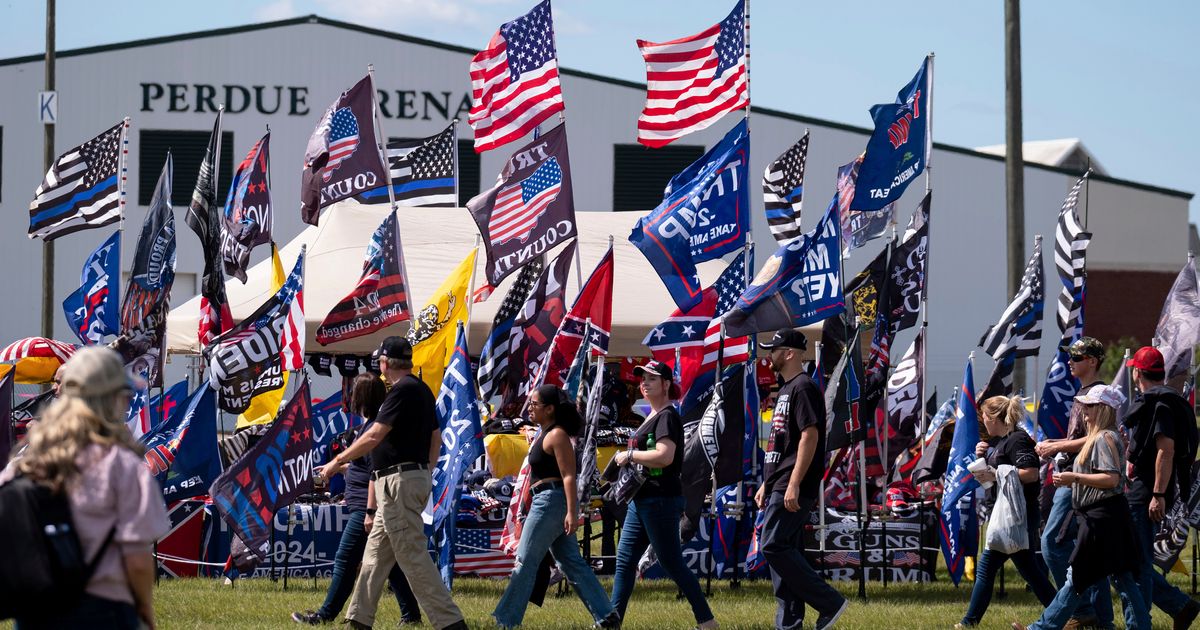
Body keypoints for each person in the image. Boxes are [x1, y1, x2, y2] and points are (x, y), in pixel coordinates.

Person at [0, 347, 169, 629]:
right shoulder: (122, 465)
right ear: (110, 398)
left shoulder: (26, 463)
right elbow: (138, 559)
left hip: (36, 611)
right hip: (106, 612)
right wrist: (144, 611)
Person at [315, 337, 466, 630]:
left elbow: (373, 436)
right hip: (403, 480)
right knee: (374, 556)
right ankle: (357, 620)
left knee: (412, 555)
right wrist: (426, 469)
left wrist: (335, 463)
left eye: (380, 362)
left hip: (398, 482)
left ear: (384, 363)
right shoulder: (420, 389)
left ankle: (451, 622)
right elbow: (436, 436)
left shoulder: (401, 391)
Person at [1014, 384, 1149, 630]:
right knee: (1121, 579)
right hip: (1106, 515)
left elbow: (1111, 479)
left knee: (1077, 578)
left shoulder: (1103, 438)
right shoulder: (1103, 437)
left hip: (1102, 517)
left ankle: (1041, 628)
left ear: (1103, 409)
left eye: (1089, 407)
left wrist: (1072, 478)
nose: (1083, 412)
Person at [292, 373, 420, 625]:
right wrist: (340, 469)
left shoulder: (373, 430)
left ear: (360, 397)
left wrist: (370, 511)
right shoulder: (370, 426)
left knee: (345, 559)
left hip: (366, 506)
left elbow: (376, 473)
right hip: (366, 504)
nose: (349, 397)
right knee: (390, 564)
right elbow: (364, 468)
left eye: (353, 393)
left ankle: (325, 615)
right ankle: (411, 615)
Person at [492, 384, 620, 628]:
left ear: (550, 409)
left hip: (550, 502)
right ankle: (607, 616)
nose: (529, 408)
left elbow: (569, 476)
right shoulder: (544, 432)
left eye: (534, 404)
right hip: (547, 501)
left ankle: (505, 621)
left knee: (525, 560)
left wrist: (572, 512)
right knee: (571, 563)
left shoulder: (557, 435)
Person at [609, 360, 718, 629]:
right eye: (642, 379)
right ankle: (611, 621)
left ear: (667, 384)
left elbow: (665, 456)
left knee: (671, 563)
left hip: (660, 500)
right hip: (641, 499)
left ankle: (707, 621)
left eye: (651, 379)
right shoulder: (652, 414)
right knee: (624, 562)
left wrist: (629, 455)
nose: (643, 383)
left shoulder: (667, 416)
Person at [755, 328, 848, 630]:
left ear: (790, 353)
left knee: (772, 546)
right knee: (785, 553)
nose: (770, 354)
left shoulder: (804, 387)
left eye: (775, 349)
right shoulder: (785, 390)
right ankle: (789, 624)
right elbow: (783, 445)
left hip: (792, 485)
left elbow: (810, 435)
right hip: (779, 483)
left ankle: (829, 602)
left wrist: (793, 483)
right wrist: (766, 484)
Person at [958, 395, 1057, 628]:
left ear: (994, 418)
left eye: (985, 417)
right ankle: (1062, 614)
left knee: (990, 569)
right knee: (1029, 572)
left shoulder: (1018, 439)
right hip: (1008, 514)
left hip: (1017, 515)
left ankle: (968, 622)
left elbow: (1031, 473)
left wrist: (996, 473)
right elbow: (999, 470)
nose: (983, 422)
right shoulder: (1000, 441)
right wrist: (983, 456)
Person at [1033, 337, 1112, 628]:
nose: (1071, 361)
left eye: (1077, 357)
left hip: (1080, 480)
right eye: (1070, 357)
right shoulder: (1083, 393)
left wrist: (1057, 448)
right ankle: (1103, 621)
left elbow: (1098, 436)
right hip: (1074, 476)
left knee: (1052, 544)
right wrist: (1054, 443)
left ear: (1092, 361)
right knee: (1094, 556)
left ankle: (1080, 609)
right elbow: (1079, 437)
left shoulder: (1098, 394)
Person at [1122, 347, 1200, 629]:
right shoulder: (1160, 401)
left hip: (1147, 492)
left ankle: (1139, 624)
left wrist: (1157, 494)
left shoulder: (1160, 405)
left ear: (1137, 373)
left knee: (1136, 562)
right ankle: (1181, 607)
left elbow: (1165, 451)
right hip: (1145, 489)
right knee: (1134, 559)